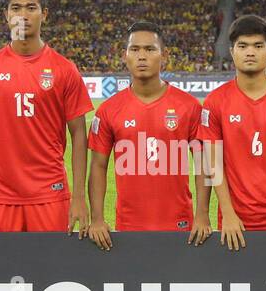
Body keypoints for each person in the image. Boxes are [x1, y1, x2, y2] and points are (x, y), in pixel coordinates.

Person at [0, 0, 92, 234]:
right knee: (5, 272)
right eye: (16, 8)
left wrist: (77, 197)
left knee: (52, 272)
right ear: (6, 15)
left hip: (51, 194)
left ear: (45, 14)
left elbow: (78, 134)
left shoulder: (64, 69)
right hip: (2, 195)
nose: (23, 14)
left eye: (31, 7)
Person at [87, 21, 211, 249]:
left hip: (180, 226)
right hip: (128, 227)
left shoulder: (189, 106)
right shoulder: (108, 110)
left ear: (164, 55)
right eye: (135, 50)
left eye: (149, 49)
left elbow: (204, 163)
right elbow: (97, 166)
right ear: (125, 56)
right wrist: (96, 218)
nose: (141, 56)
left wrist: (202, 214)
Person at [199, 15, 266, 250]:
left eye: (258, 46)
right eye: (243, 46)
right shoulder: (215, 102)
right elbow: (212, 162)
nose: (250, 52)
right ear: (232, 51)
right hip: (234, 221)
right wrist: (227, 213)